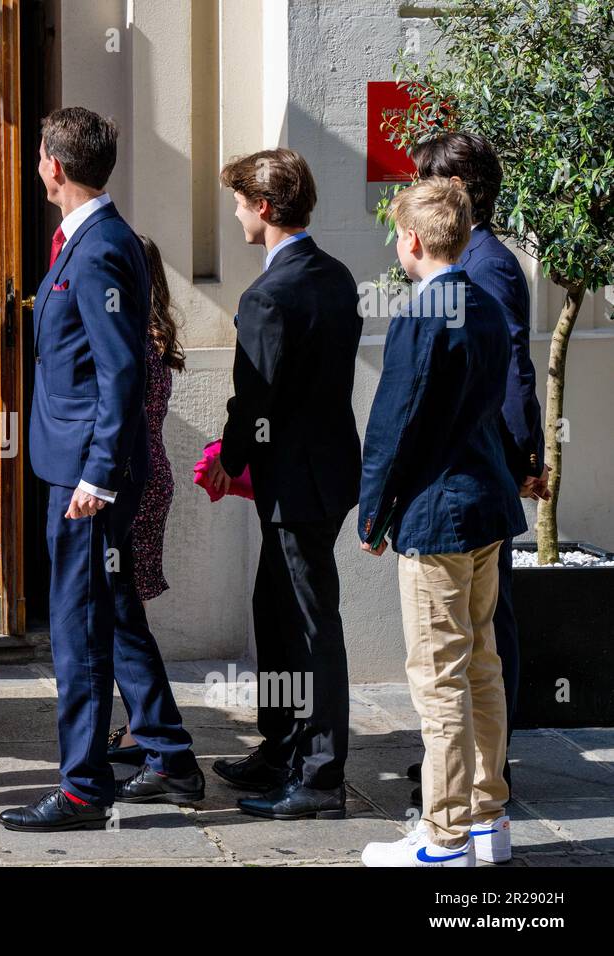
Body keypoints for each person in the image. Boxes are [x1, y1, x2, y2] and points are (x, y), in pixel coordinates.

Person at [0, 107, 203, 833]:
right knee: (113, 613)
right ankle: (171, 756)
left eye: (39, 158)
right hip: (79, 467)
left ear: (54, 165)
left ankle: (83, 789)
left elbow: (120, 371)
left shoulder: (101, 247)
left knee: (78, 631)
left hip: (86, 480)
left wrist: (96, 475)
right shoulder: (86, 243)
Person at [359, 178, 525, 866]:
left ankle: (446, 835)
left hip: (438, 514)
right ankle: (487, 819)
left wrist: (373, 513)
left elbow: (394, 424)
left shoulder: (423, 313)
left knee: (440, 677)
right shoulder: (482, 301)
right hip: (484, 506)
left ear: (414, 240)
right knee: (480, 663)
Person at [208, 149, 361, 821]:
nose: (237, 213)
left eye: (240, 203)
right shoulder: (335, 275)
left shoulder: (269, 293)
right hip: (321, 474)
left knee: (307, 625)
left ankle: (321, 774)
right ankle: (279, 747)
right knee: (275, 614)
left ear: (264, 209)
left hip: (296, 483)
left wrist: (227, 457)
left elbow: (257, 397)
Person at [403, 132, 550, 805]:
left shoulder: (482, 266)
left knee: (482, 635)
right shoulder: (487, 257)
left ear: (454, 191)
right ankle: (465, 765)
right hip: (482, 468)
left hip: (473, 474)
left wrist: (526, 456)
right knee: (479, 634)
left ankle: (485, 773)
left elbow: (515, 365)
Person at [104, 233, 187, 766]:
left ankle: (146, 730)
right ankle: (139, 725)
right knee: (126, 607)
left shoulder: (133, 339)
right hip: (153, 476)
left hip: (136, 481)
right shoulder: (152, 332)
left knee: (122, 610)